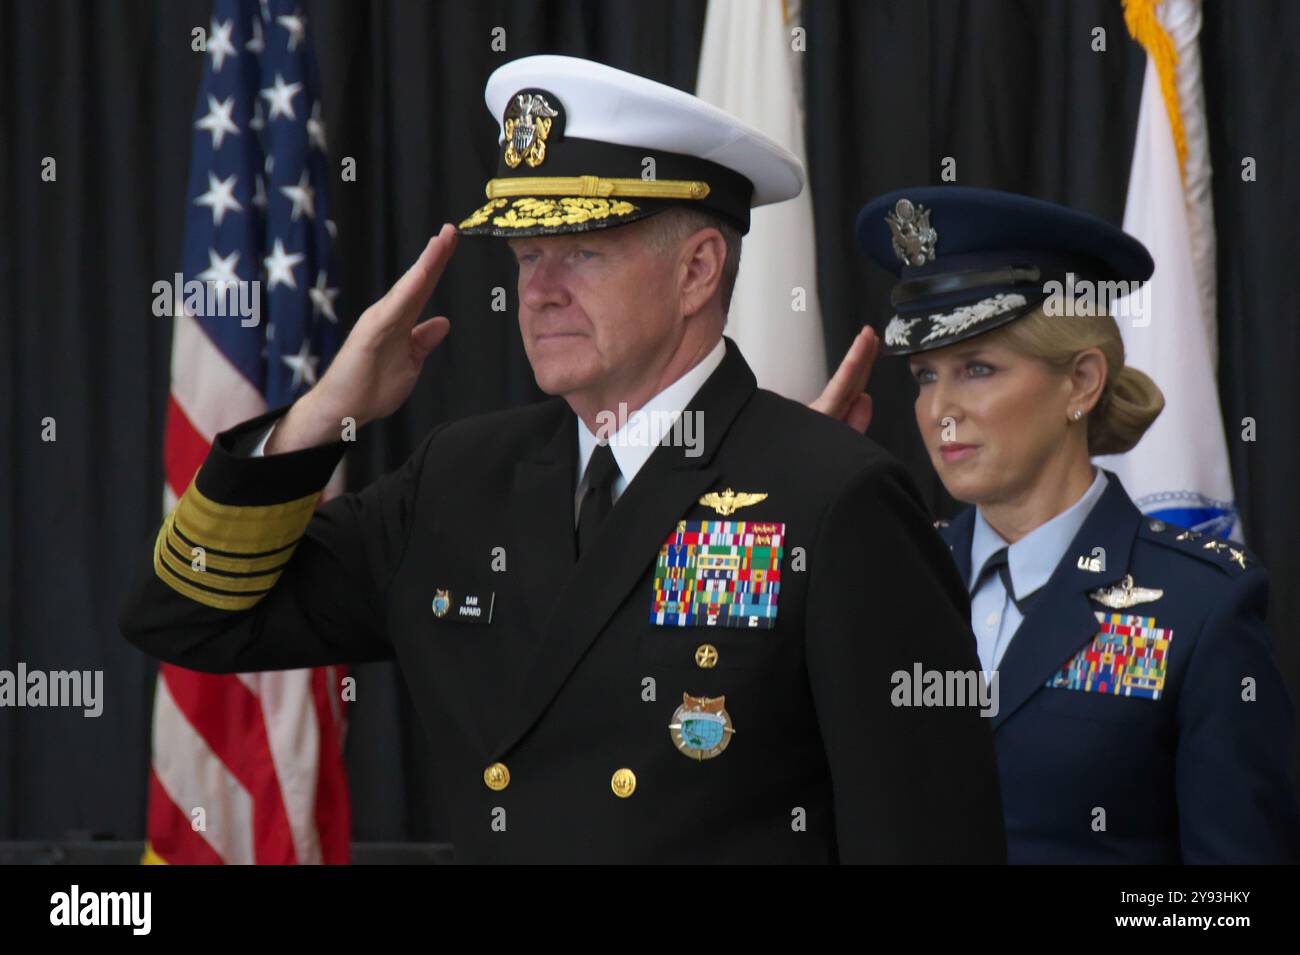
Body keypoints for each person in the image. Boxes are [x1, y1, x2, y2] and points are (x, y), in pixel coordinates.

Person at [120, 57, 1006, 864]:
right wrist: (324, 414)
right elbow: (185, 617)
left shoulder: (832, 494)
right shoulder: (459, 478)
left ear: (699, 269)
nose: (539, 289)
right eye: (527, 253)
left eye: (582, 251)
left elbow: (927, 840)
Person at [851, 184, 1300, 863]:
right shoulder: (889, 582)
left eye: (977, 369)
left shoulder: (1201, 606)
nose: (941, 409)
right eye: (924, 376)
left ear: (1081, 382)